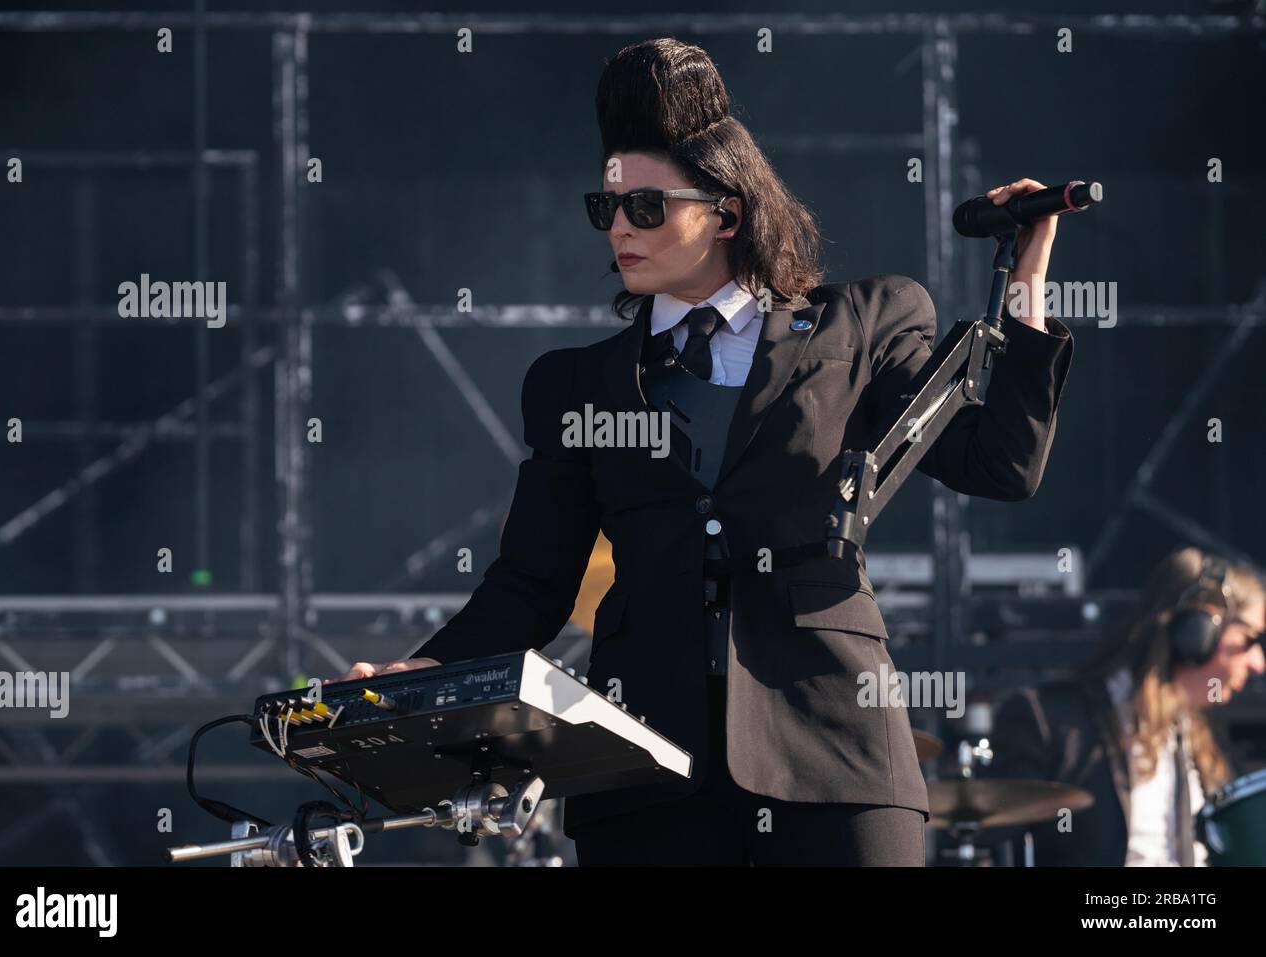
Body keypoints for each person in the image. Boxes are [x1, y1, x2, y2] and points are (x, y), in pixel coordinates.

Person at [335, 37, 1074, 865]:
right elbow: (532, 584)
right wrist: (420, 671)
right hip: (646, 769)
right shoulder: (575, 383)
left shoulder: (863, 323)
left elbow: (1002, 463)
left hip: (834, 750)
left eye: (646, 208)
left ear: (726, 212)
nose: (620, 227)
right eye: (607, 208)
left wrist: (1027, 277)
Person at [986, 546, 1266, 866]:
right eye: (1250, 639)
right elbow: (996, 846)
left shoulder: (1201, 739)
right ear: (1200, 630)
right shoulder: (1048, 720)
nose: (1258, 662)